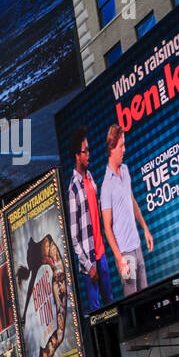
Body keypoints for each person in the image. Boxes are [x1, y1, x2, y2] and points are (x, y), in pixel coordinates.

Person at [101, 123, 153, 296]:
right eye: (122, 145)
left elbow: (132, 201)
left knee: (145, 296)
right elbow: (107, 228)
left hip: (137, 246)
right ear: (112, 148)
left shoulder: (126, 170)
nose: (125, 149)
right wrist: (120, 259)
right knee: (133, 301)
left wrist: (145, 229)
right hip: (125, 254)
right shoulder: (106, 186)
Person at [67, 126, 114, 310]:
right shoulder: (73, 191)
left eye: (88, 150)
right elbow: (73, 237)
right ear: (77, 155)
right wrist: (88, 266)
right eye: (85, 151)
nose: (89, 154)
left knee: (111, 302)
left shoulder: (91, 178)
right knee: (97, 310)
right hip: (90, 262)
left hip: (101, 254)